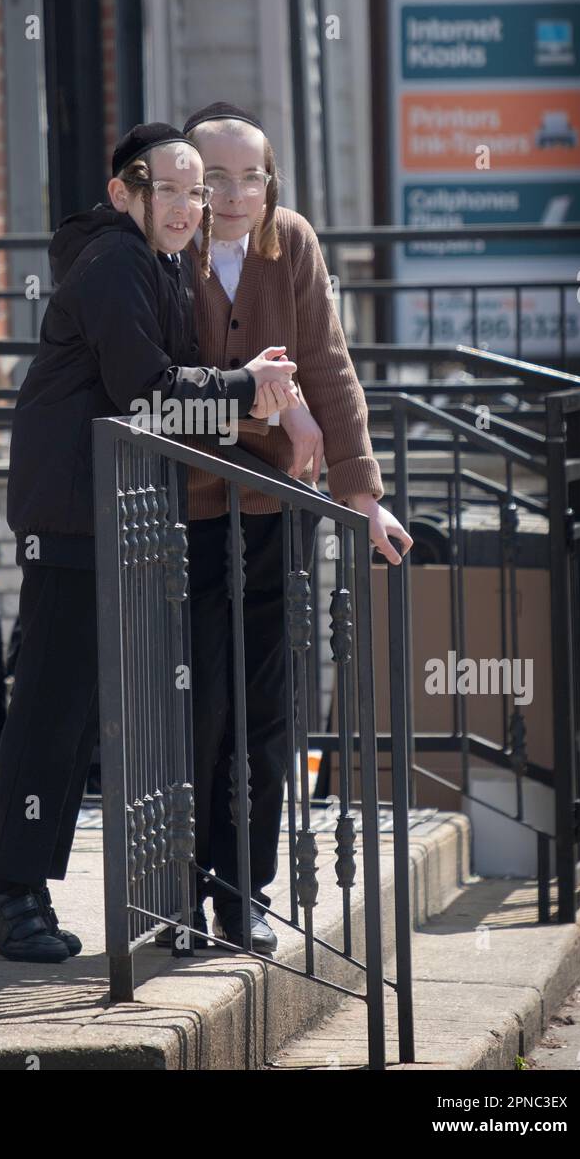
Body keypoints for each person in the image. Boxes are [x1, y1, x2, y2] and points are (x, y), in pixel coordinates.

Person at [0, 122, 299, 963]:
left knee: (77, 715)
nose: (188, 206)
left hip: (105, 513)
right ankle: (1, 884)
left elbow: (164, 384)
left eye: (196, 192)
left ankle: (18, 886)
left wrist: (254, 396)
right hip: (77, 514)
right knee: (52, 709)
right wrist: (247, 388)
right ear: (124, 193)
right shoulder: (115, 262)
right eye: (169, 189)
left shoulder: (153, 263)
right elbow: (146, 390)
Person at [178, 101, 414, 954]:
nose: (235, 195)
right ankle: (180, 897)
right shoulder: (168, 245)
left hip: (277, 514)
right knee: (192, 708)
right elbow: (161, 388)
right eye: (216, 179)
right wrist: (271, 410)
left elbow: (328, 361)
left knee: (268, 710)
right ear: (186, 183)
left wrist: (362, 490)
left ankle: (247, 894)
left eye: (252, 176)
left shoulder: (294, 243)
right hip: (181, 514)